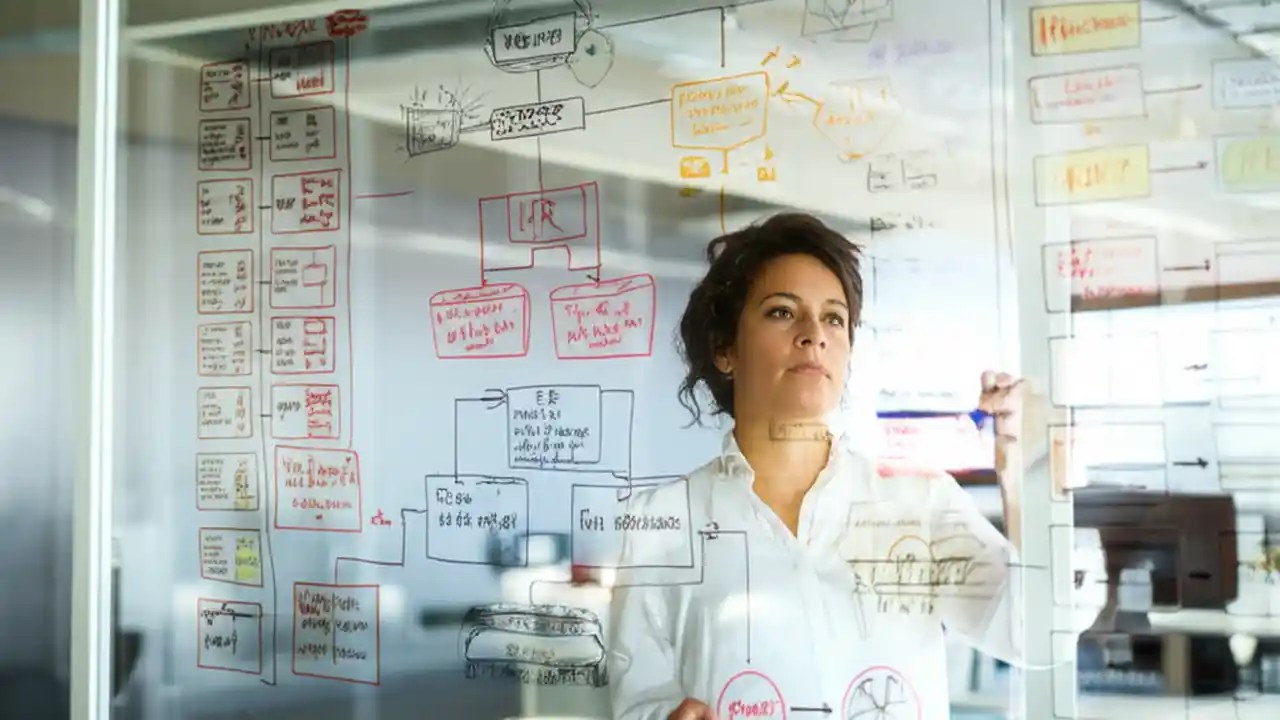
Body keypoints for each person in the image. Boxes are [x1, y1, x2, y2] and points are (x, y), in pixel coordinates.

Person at [607, 212, 1030, 720]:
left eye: (833, 317)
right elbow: (638, 703)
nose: (814, 335)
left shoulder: (919, 503)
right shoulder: (662, 523)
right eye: (782, 312)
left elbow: (1035, 635)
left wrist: (1029, 479)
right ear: (725, 349)